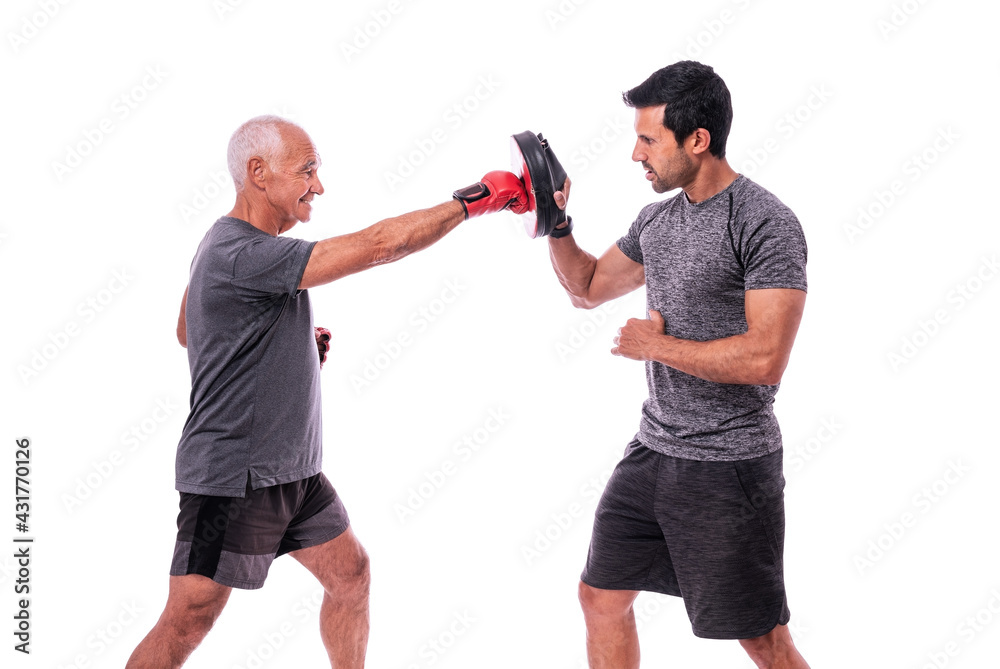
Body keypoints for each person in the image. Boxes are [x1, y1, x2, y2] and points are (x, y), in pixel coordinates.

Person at [126, 115, 528, 668]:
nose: (318, 185)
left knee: (351, 575)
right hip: (235, 476)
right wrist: (477, 201)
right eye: (307, 171)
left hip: (294, 473)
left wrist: (279, 347)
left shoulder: (227, 243)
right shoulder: (242, 254)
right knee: (188, 619)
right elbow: (382, 245)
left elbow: (189, 330)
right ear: (258, 173)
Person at [545, 62, 811, 668]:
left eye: (648, 140)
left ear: (698, 140)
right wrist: (555, 223)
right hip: (653, 451)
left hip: (728, 466)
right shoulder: (657, 221)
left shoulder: (764, 223)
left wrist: (657, 346)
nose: (635, 154)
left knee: (762, 639)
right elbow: (587, 286)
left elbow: (766, 358)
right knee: (600, 597)